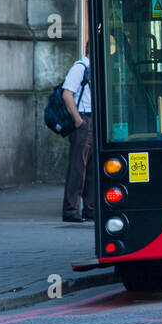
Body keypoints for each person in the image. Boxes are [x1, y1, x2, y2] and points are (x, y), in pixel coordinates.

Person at [61, 47, 94, 223]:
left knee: (91, 168)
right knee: (78, 166)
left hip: (92, 119)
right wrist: (78, 120)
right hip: (84, 118)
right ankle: (70, 209)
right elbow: (67, 94)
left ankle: (90, 208)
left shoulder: (92, 67)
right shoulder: (80, 67)